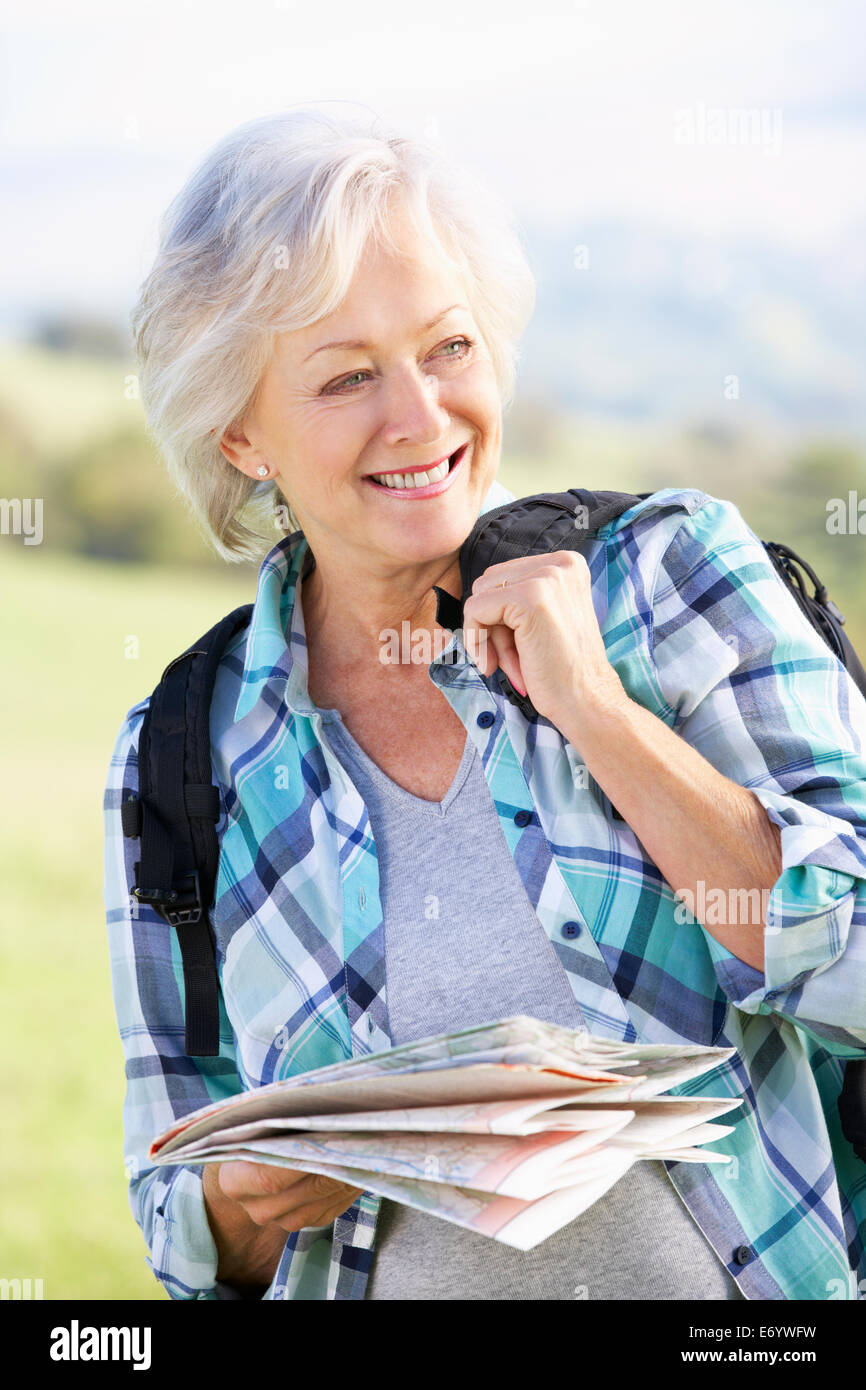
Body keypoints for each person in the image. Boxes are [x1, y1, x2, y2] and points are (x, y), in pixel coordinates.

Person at [104, 105, 866, 1302]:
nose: (419, 418)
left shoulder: (668, 578)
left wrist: (601, 713)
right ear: (242, 433)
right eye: (348, 375)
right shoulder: (181, 753)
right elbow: (179, 1231)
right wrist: (235, 1205)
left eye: (447, 348)